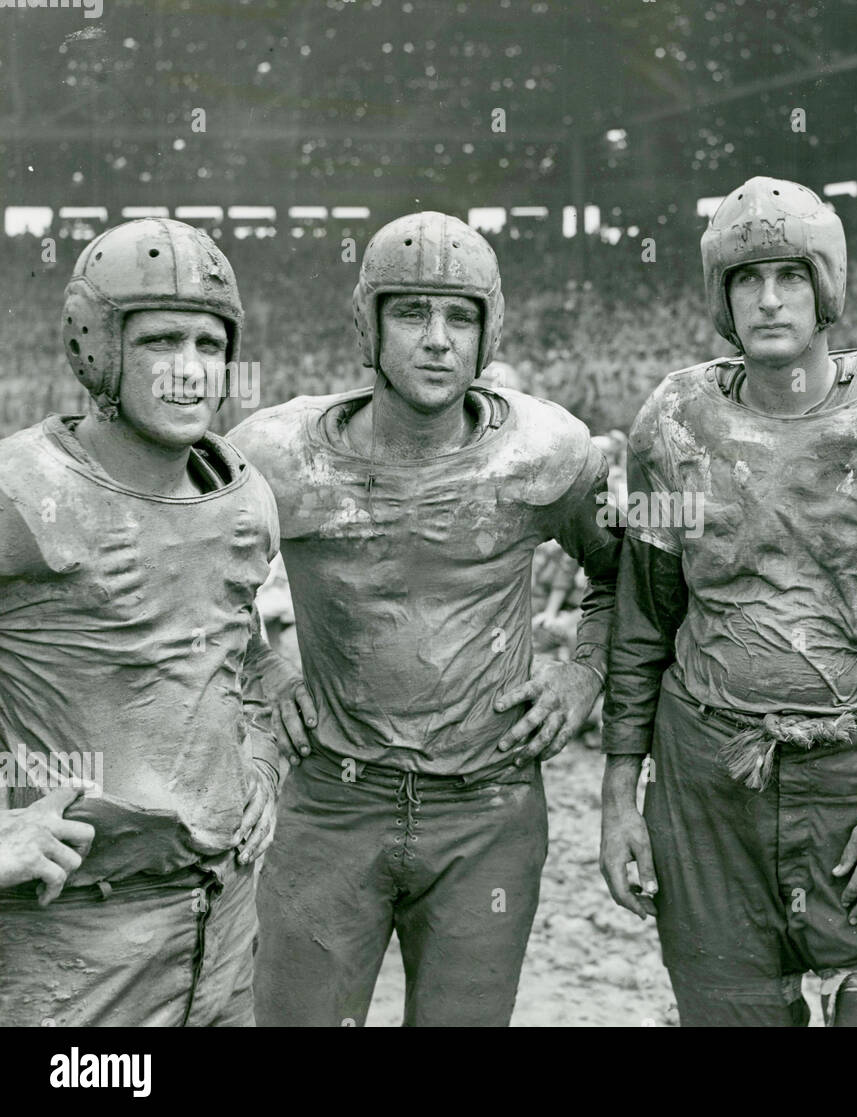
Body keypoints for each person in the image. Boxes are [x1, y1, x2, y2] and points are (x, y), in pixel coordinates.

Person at [599, 177, 857, 1027]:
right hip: (709, 782)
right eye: (747, 278)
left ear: (828, 287)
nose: (770, 298)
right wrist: (616, 802)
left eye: (790, 275)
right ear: (722, 295)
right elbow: (642, 624)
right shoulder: (676, 423)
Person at [230, 212, 621, 1027]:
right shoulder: (276, 457)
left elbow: (625, 579)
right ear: (368, 324)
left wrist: (584, 669)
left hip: (488, 808)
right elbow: (198, 577)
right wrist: (263, 668)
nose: (438, 339)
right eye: (411, 312)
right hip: (331, 800)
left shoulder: (545, 453)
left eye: (461, 316)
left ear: (488, 331)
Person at [0, 218, 282, 1026]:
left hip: (219, 922)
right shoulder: (23, 492)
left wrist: (258, 760)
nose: (191, 371)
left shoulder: (243, 496)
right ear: (97, 346)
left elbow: (244, 658)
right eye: (161, 341)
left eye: (209, 342)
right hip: (74, 936)